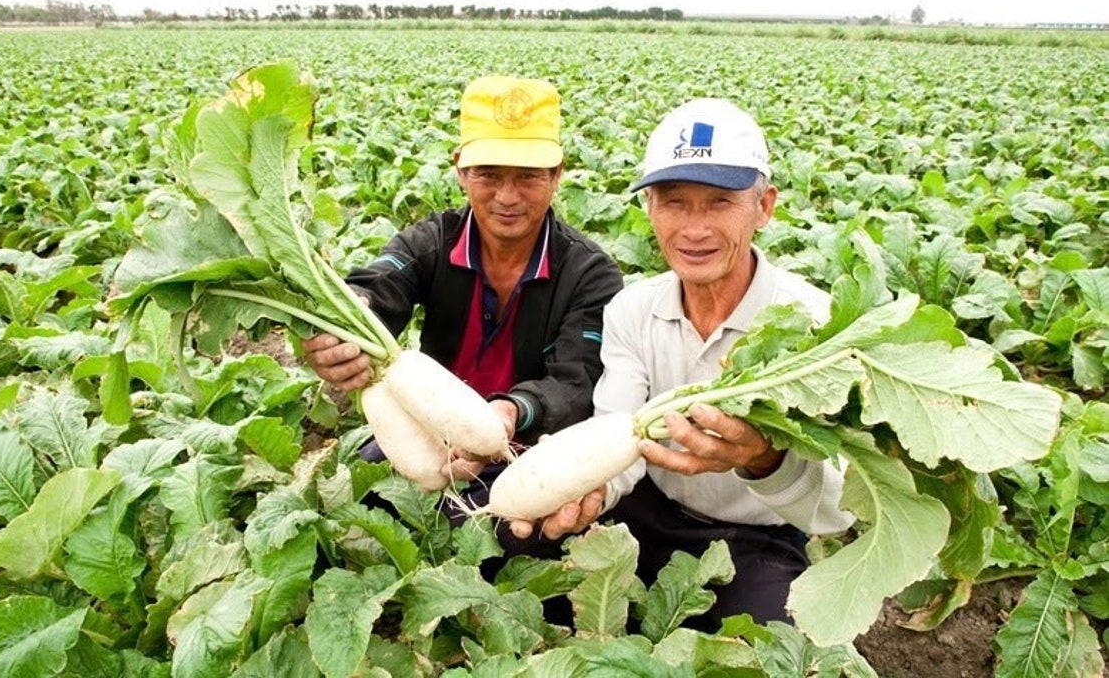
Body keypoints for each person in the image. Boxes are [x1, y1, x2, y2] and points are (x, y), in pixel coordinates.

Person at [511, 97, 855, 626]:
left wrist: (764, 459)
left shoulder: (817, 326)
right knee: (520, 556)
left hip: (756, 536)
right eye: (674, 203)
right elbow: (619, 433)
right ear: (650, 208)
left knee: (775, 641)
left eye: (720, 203)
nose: (695, 230)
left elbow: (837, 508)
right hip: (646, 510)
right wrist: (596, 489)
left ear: (764, 207)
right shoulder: (631, 310)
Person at [302, 75, 624, 546]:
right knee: (344, 508)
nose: (508, 196)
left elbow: (576, 383)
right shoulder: (431, 242)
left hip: (532, 455)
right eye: (489, 174)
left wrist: (512, 412)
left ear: (557, 175)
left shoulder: (590, 273)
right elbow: (377, 285)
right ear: (460, 170)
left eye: (528, 176)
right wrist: (342, 328)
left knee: (503, 539)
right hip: (428, 437)